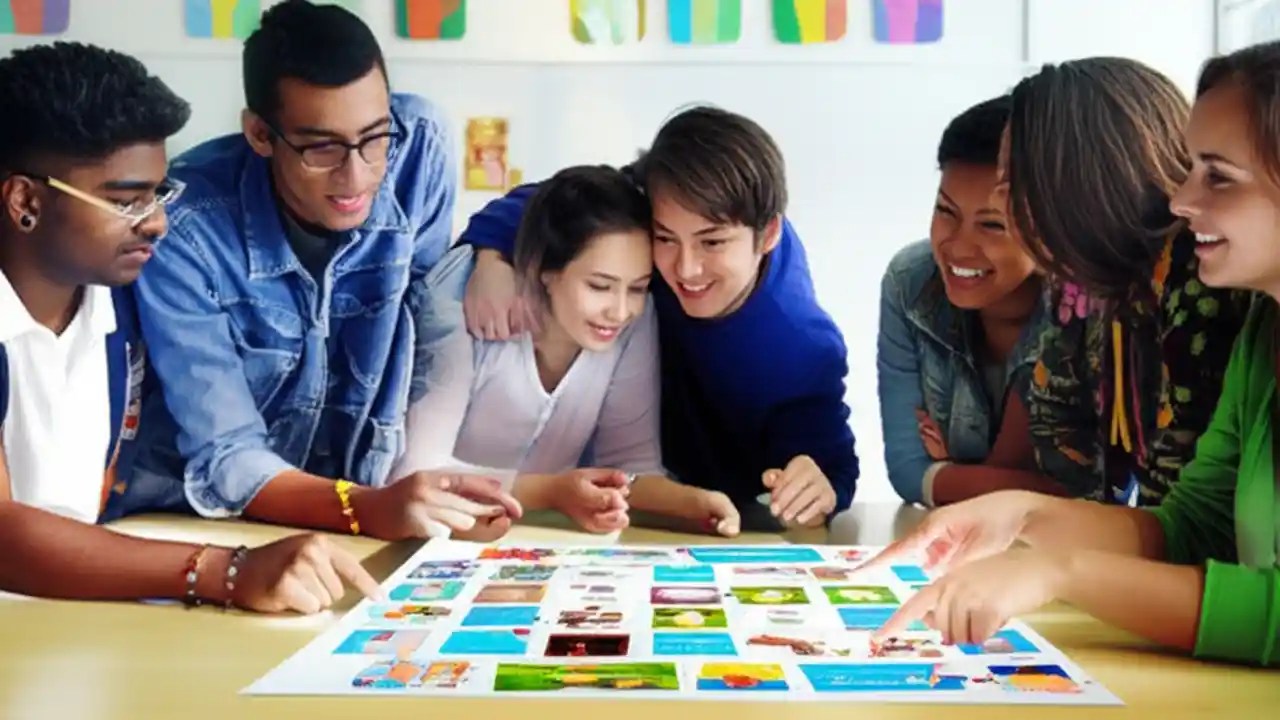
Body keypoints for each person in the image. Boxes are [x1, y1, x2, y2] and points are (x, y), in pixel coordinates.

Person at [861, 42, 1280, 668]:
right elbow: (1193, 524)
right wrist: (1021, 514)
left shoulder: (1209, 298)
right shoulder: (1262, 333)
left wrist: (1063, 570)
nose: (1180, 200)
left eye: (1216, 175)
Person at [113, 0, 522, 540]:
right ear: (260, 134)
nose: (357, 176)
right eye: (321, 148)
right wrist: (369, 508)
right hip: (205, 524)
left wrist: (492, 247)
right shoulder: (186, 228)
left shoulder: (417, 144)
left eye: (374, 137)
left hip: (360, 514)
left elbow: (423, 324)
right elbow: (228, 453)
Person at [0, 41, 381, 613]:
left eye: (159, 194)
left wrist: (498, 239)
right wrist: (226, 572)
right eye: (126, 201)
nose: (156, 223)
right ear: (25, 200)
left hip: (70, 622)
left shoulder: (121, 307)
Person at [460, 106, 857, 530]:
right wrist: (491, 256)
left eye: (712, 242)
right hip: (607, 498)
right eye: (665, 238)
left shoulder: (799, 343)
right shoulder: (652, 199)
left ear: (770, 234)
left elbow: (831, 468)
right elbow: (557, 208)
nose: (685, 269)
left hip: (717, 523)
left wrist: (821, 485)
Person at [394, 166, 741, 539]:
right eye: (599, 286)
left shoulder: (635, 322)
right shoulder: (459, 304)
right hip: (429, 542)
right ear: (545, 270)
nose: (621, 310)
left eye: (637, 288)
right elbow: (414, 474)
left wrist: (690, 503)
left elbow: (630, 465)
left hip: (541, 545)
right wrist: (551, 493)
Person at [1003, 57, 1253, 507]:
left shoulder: (1200, 275)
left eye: (1012, 188)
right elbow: (1055, 425)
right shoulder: (1082, 283)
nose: (1007, 212)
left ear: (1074, 186)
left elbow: (1182, 500)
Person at [877, 95, 1061, 507]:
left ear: (1049, 226)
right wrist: (1012, 481)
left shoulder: (1082, 308)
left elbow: (1088, 493)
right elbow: (908, 472)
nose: (958, 247)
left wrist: (953, 475)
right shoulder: (911, 282)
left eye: (992, 225)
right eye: (946, 212)